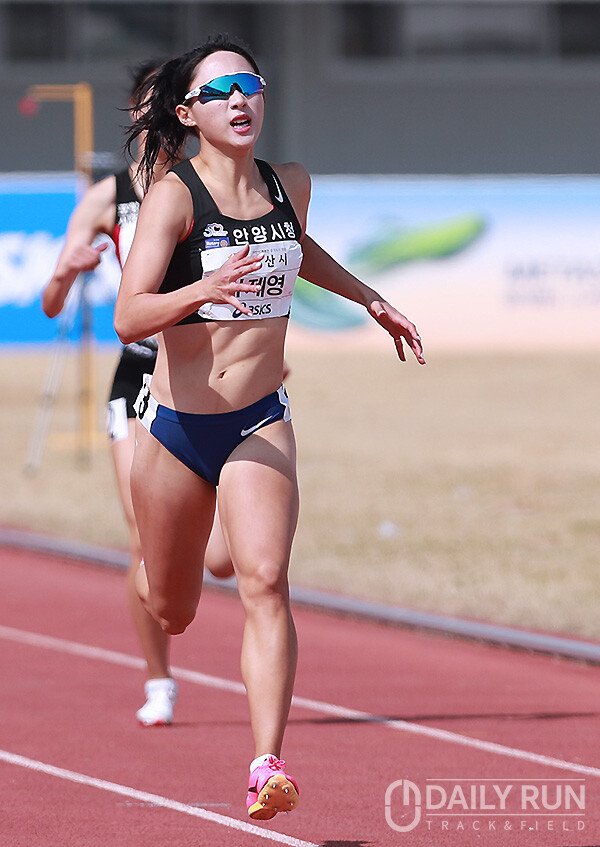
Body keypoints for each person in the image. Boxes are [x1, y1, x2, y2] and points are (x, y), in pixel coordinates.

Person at [115, 34, 425, 819]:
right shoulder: (174, 197)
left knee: (267, 581)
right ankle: (179, 554)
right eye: (220, 92)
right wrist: (204, 285)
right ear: (189, 113)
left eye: (249, 84)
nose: (240, 99)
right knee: (172, 608)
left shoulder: (290, 182)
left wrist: (367, 296)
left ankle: (266, 764)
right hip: (179, 429)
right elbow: (129, 315)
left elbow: (299, 247)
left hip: (260, 418)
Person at [42, 60, 235, 728]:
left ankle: (219, 542)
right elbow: (48, 303)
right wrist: (66, 272)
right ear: (135, 114)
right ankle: (160, 679)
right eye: (148, 103)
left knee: (217, 559)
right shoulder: (107, 196)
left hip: (210, 373)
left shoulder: (210, 185)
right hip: (140, 378)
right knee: (144, 544)